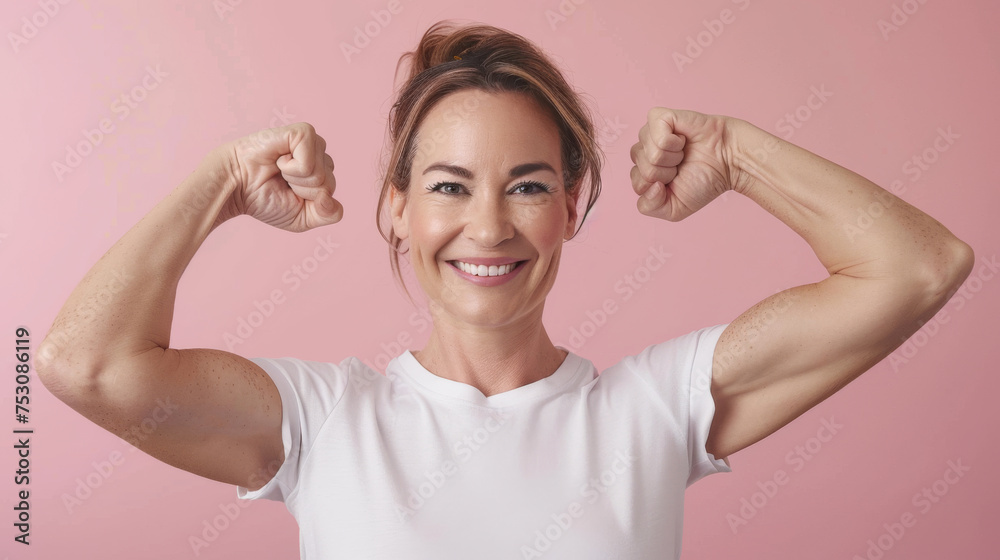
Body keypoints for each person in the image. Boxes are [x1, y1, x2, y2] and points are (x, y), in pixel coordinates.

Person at [37, 20, 973, 559]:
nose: (487, 227)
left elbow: (919, 267)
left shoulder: (654, 409)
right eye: (448, 186)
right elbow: (84, 364)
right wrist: (220, 182)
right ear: (396, 208)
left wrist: (734, 153)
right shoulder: (324, 423)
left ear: (572, 206)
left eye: (527, 185)